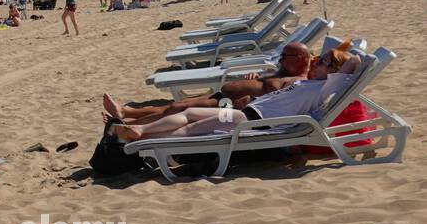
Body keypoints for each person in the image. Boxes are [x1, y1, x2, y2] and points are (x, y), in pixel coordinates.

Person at [115, 43, 361, 142]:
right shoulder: (311, 83)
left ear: (333, 72)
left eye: (324, 61)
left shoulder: (325, 88)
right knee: (189, 112)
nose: (318, 61)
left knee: (191, 129)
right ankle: (140, 130)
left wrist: (341, 59)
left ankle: (144, 138)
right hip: (247, 112)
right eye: (318, 60)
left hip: (251, 121)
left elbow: (354, 62)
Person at [102, 42, 313, 124]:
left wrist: (249, 97)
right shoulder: (284, 71)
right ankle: (126, 112)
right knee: (171, 106)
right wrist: (254, 82)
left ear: (302, 59)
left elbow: (275, 104)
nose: (280, 59)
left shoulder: (298, 82)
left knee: (178, 107)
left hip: (234, 108)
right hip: (226, 99)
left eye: (286, 56)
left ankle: (126, 127)